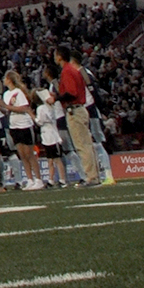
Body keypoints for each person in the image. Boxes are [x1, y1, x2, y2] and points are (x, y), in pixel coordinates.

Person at [54, 46, 102, 186]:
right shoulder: (73, 70)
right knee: (87, 144)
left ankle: (91, 177)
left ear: (59, 57)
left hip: (74, 111)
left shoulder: (67, 71)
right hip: (80, 109)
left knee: (82, 145)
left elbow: (71, 93)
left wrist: (56, 98)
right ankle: (94, 175)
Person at [1, 72, 40, 189]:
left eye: (5, 78)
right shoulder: (6, 94)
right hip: (14, 126)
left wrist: (6, 107)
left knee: (29, 154)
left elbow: (24, 108)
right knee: (22, 155)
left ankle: (38, 179)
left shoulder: (18, 92)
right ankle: (29, 179)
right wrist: (1, 108)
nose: (3, 80)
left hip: (24, 124)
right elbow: (8, 110)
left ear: (9, 79)